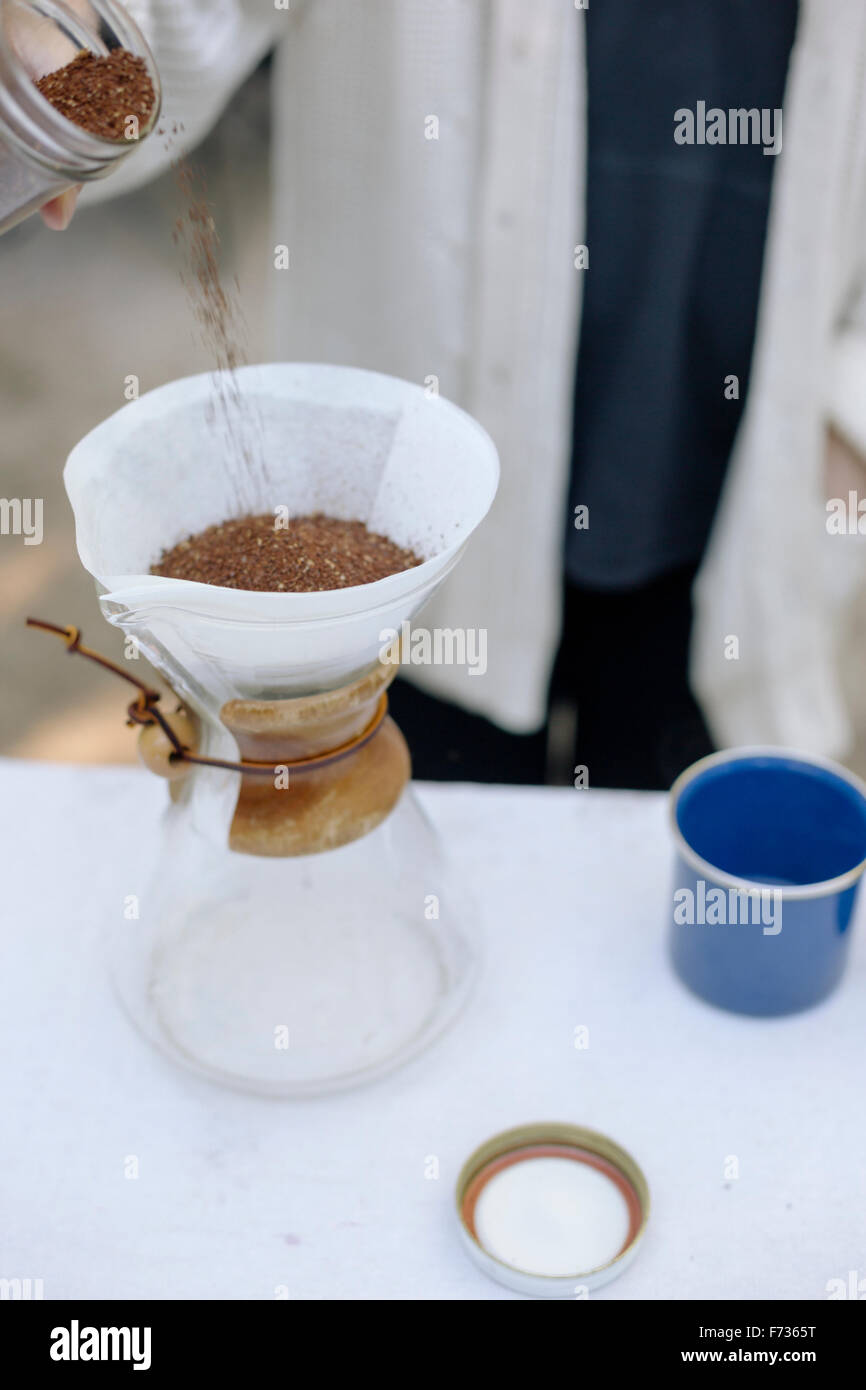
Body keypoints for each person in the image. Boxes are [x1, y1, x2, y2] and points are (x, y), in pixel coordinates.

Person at [42, 1, 866, 786]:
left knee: (657, 854)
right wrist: (58, 44)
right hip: (405, 529)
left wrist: (849, 421)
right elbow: (158, 28)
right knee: (419, 827)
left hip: (737, 503)